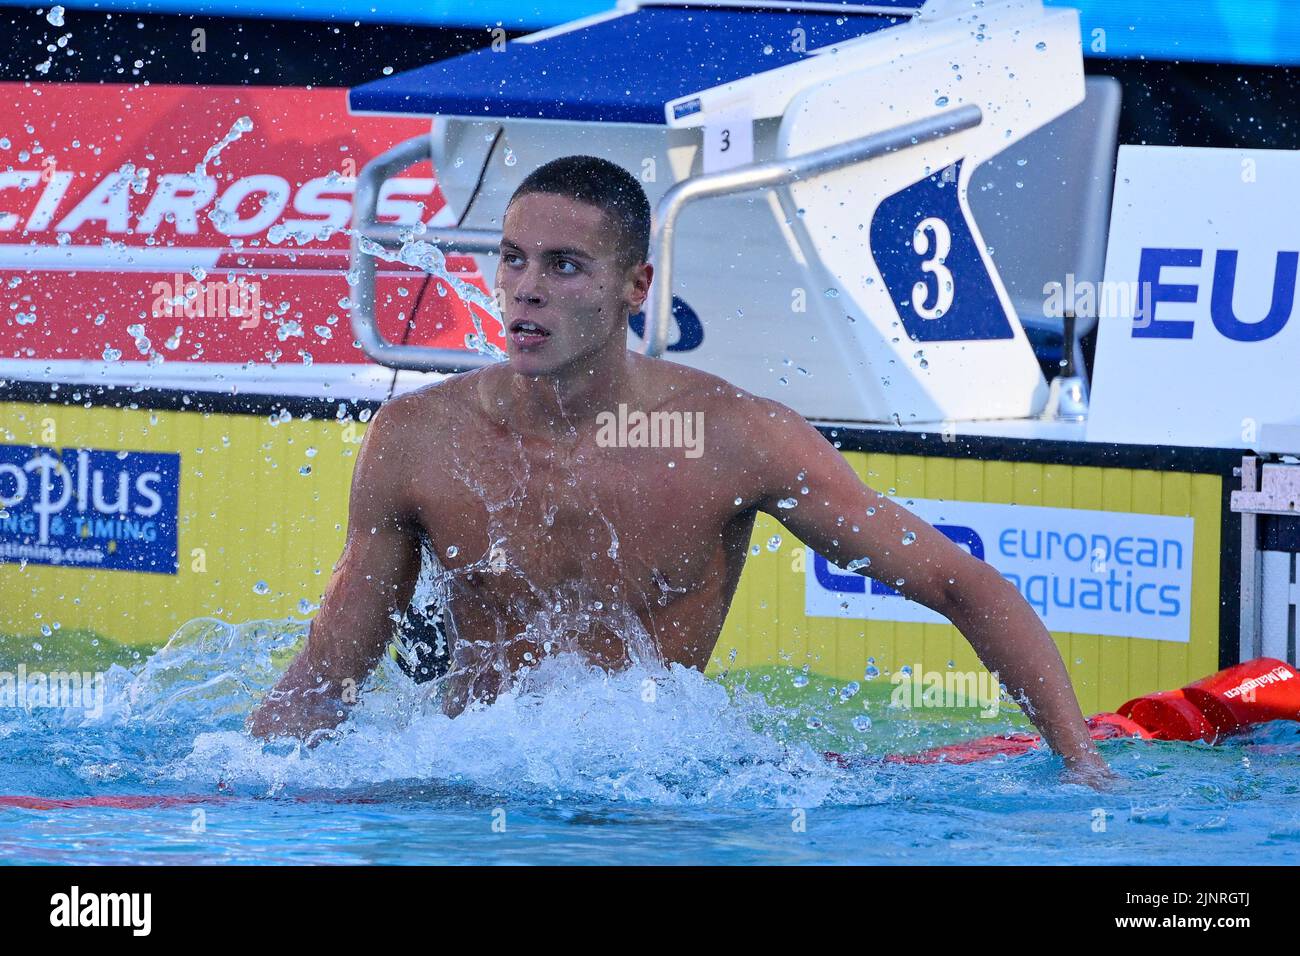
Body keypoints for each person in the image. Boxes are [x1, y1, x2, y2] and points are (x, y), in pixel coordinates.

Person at [247, 154, 1114, 787]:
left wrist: (1082, 770)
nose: (526, 288)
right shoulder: (419, 437)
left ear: (636, 286)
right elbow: (327, 678)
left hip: (657, 804)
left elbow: (962, 586)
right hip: (469, 797)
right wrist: (242, 796)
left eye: (565, 265)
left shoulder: (737, 437)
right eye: (513, 257)